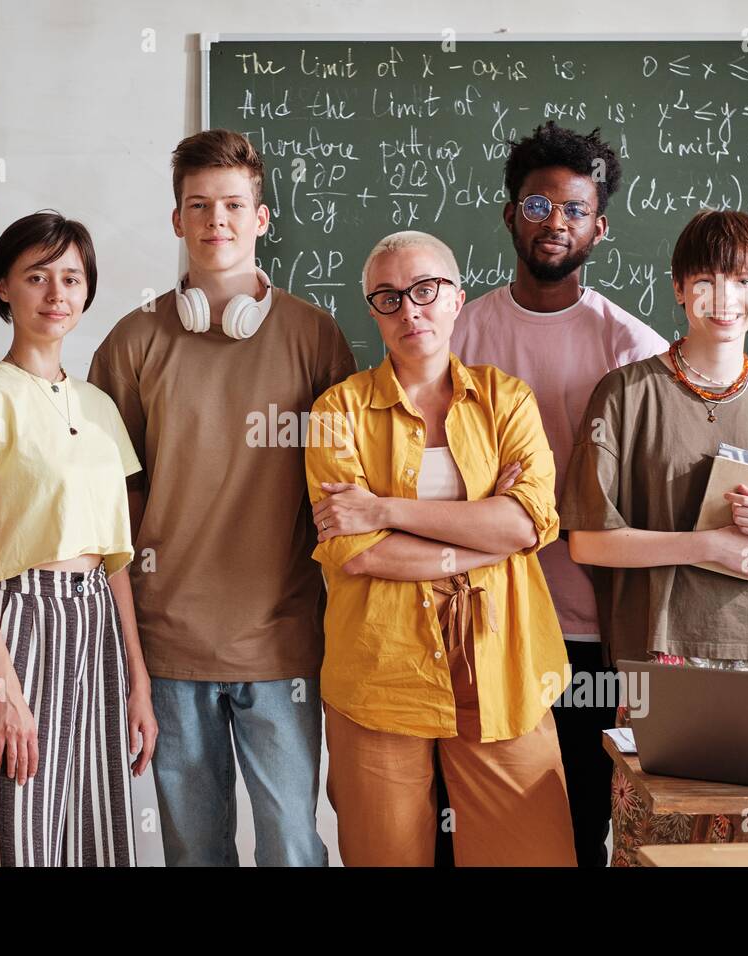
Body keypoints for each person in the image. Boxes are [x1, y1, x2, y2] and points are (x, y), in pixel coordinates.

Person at [88, 129, 354, 867]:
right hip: (168, 644)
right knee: (193, 853)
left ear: (262, 218)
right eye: (199, 205)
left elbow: (343, 492)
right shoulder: (131, 341)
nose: (217, 221)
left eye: (234, 204)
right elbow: (112, 499)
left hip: (284, 641)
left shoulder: (317, 338)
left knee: (294, 847)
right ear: (177, 219)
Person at [560, 209, 748, 866]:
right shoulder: (625, 395)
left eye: (744, 282)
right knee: (661, 839)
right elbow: (588, 542)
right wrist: (705, 545)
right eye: (709, 281)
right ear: (679, 289)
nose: (727, 300)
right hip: (664, 650)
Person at [305, 230, 576, 867]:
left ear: (457, 298)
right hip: (381, 666)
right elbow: (361, 554)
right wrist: (488, 532)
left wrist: (384, 510)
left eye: (426, 290)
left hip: (502, 659)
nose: (411, 311)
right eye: (389, 298)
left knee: (531, 855)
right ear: (372, 311)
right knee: (385, 855)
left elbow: (529, 523)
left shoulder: (508, 400)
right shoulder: (335, 412)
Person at [451, 121, 669, 867]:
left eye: (575, 210)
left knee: (579, 824)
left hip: (590, 628)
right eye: (539, 206)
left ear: (599, 227)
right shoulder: (458, 333)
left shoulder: (632, 347)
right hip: (481, 616)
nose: (556, 223)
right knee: (468, 822)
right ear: (511, 213)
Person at [0, 211, 156, 866]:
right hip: (17, 626)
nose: (57, 294)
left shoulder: (100, 407)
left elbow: (115, 558)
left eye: (71, 278)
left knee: (94, 834)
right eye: (37, 277)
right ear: (4, 287)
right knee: (16, 837)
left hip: (97, 630)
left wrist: (138, 682)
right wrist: (3, 690)